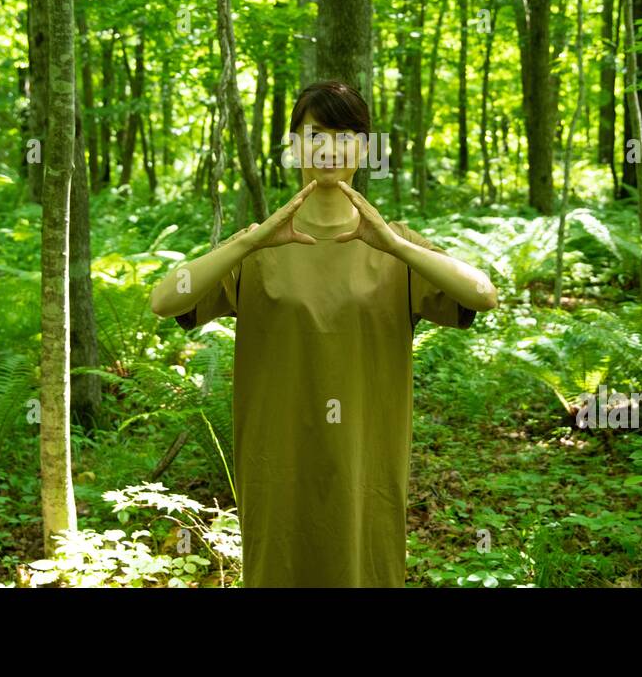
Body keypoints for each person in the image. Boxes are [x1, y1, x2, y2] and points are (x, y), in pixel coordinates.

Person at [149, 80, 498, 586]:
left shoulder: (394, 244)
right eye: (315, 135)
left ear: (364, 147)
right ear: (294, 145)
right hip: (276, 461)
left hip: (367, 462)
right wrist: (248, 241)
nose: (330, 149)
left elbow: (482, 294)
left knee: (365, 566)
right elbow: (165, 300)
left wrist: (396, 246)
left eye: (345, 135)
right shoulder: (260, 246)